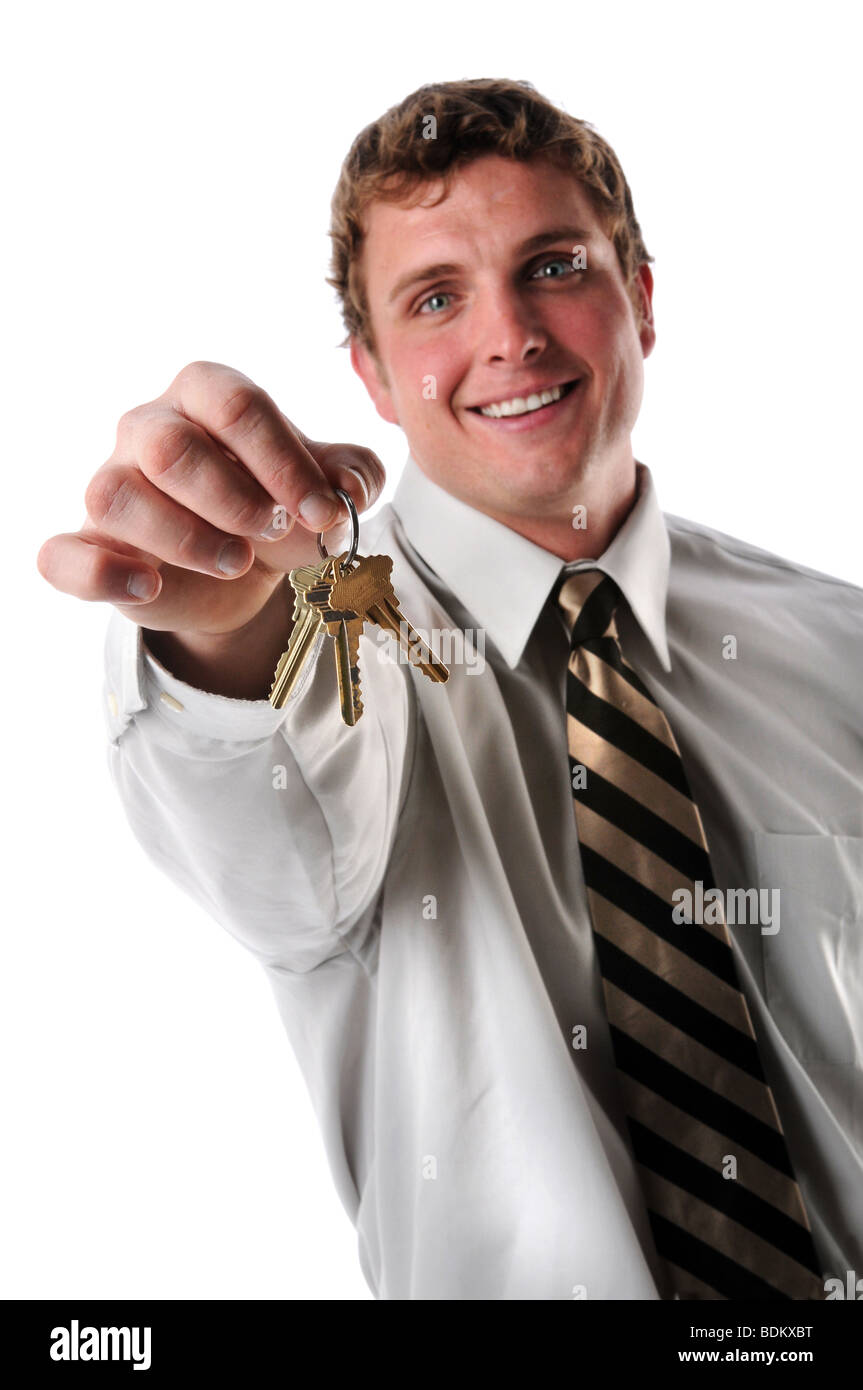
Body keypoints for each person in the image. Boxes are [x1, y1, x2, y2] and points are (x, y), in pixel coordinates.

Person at [36, 78, 862, 1302]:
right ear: (370, 374)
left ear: (638, 300)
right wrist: (226, 634)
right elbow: (273, 829)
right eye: (435, 299)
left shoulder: (835, 645)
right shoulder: (326, 643)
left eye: (554, 267)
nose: (509, 336)